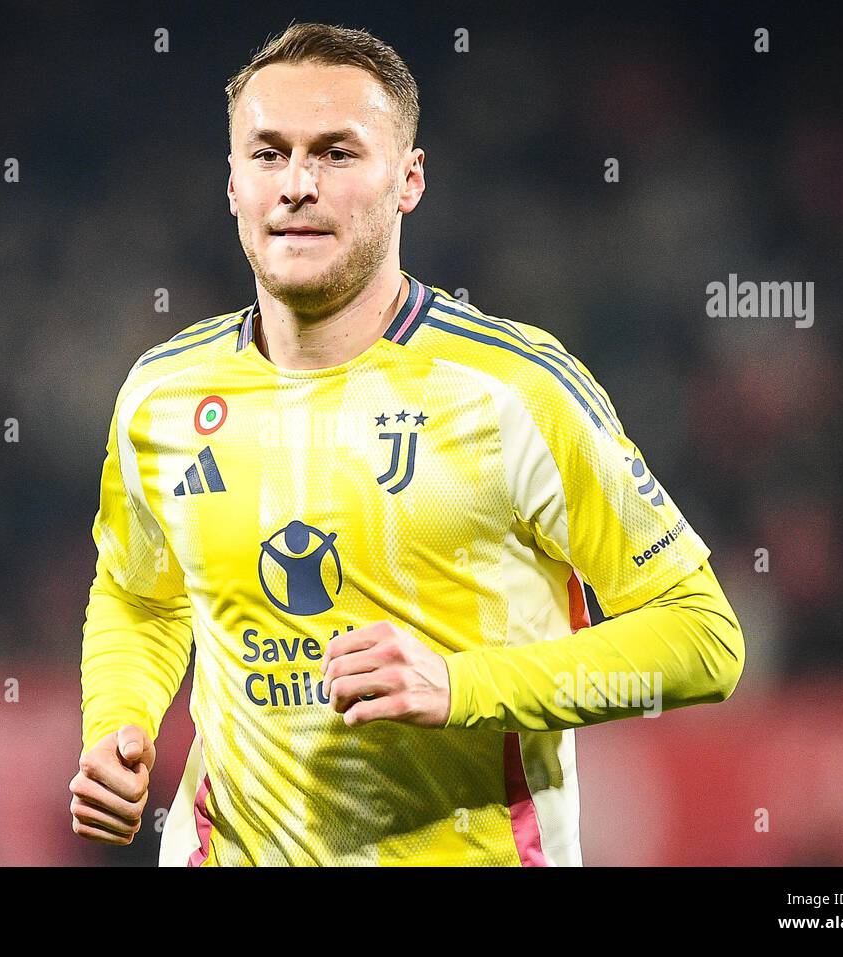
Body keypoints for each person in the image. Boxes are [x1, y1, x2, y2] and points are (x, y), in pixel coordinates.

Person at [69, 21, 744, 866]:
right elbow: (141, 594)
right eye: (269, 153)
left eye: (338, 153)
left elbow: (703, 639)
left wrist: (462, 685)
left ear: (408, 181)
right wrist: (120, 723)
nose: (298, 185)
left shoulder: (515, 391)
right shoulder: (163, 394)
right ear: (233, 182)